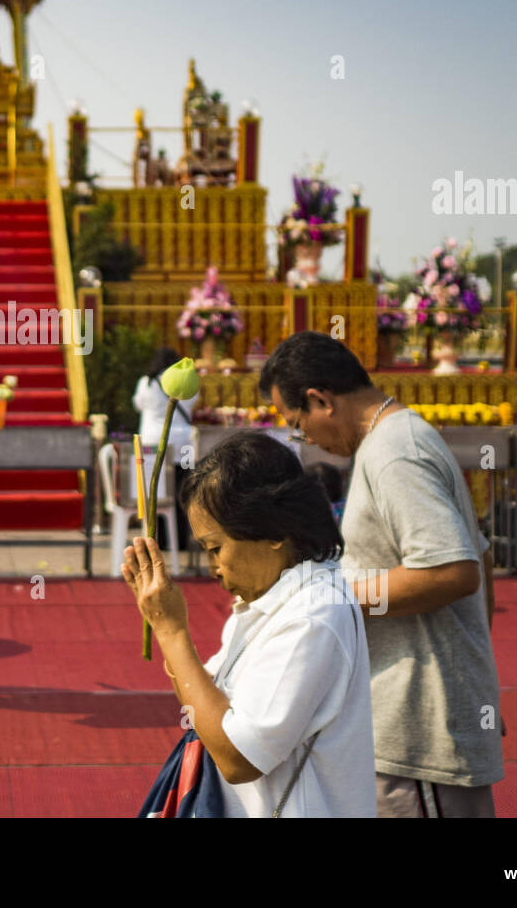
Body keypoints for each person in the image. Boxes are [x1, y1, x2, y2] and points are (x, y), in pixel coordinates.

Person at [258, 331, 502, 818]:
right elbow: (482, 555)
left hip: (419, 734)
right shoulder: (396, 438)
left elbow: (454, 570)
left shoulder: (393, 452)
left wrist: (333, 597)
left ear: (320, 400)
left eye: (296, 423)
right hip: (420, 715)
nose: (303, 438)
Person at [123, 431, 375, 817]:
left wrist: (171, 631)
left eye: (215, 549)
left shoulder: (313, 613)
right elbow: (202, 707)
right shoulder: (269, 600)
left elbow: (238, 758)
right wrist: (161, 621)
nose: (213, 569)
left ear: (272, 531)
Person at [134, 347, 200, 546]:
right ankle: (179, 539)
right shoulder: (186, 379)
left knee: (156, 492)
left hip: (151, 442)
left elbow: (138, 404)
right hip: (184, 444)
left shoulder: (146, 383)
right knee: (181, 490)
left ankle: (157, 539)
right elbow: (193, 401)